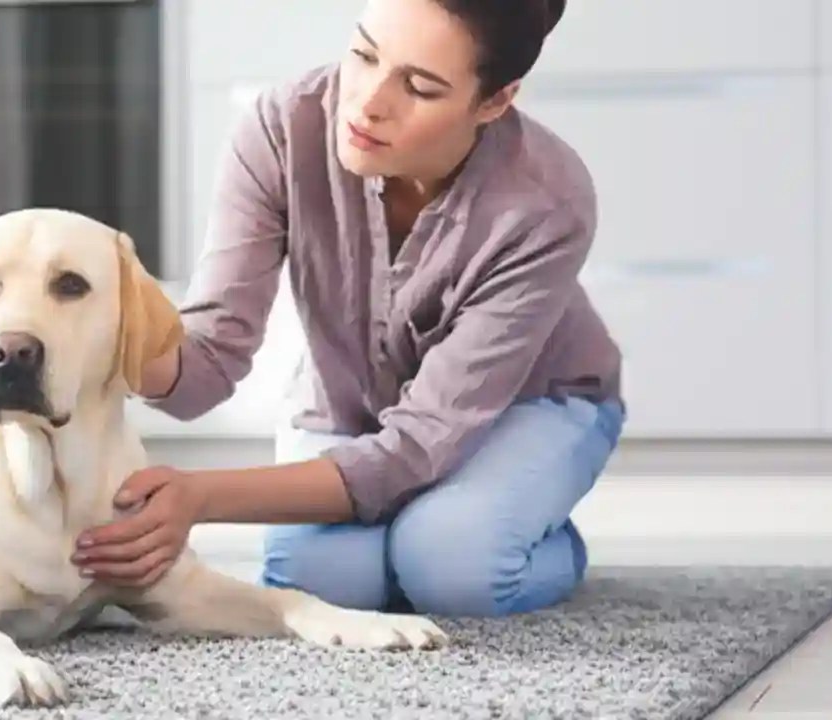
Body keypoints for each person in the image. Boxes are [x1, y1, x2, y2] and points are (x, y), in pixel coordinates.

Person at [71, 0, 625, 618]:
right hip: (350, 405)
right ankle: (437, 528)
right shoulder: (283, 128)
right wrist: (96, 333)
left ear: (494, 102)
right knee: (320, 585)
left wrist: (199, 497)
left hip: (529, 405)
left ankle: (526, 540)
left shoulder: (546, 203)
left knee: (451, 567)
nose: (367, 103)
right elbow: (204, 365)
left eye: (419, 87)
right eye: (363, 55)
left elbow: (417, 445)